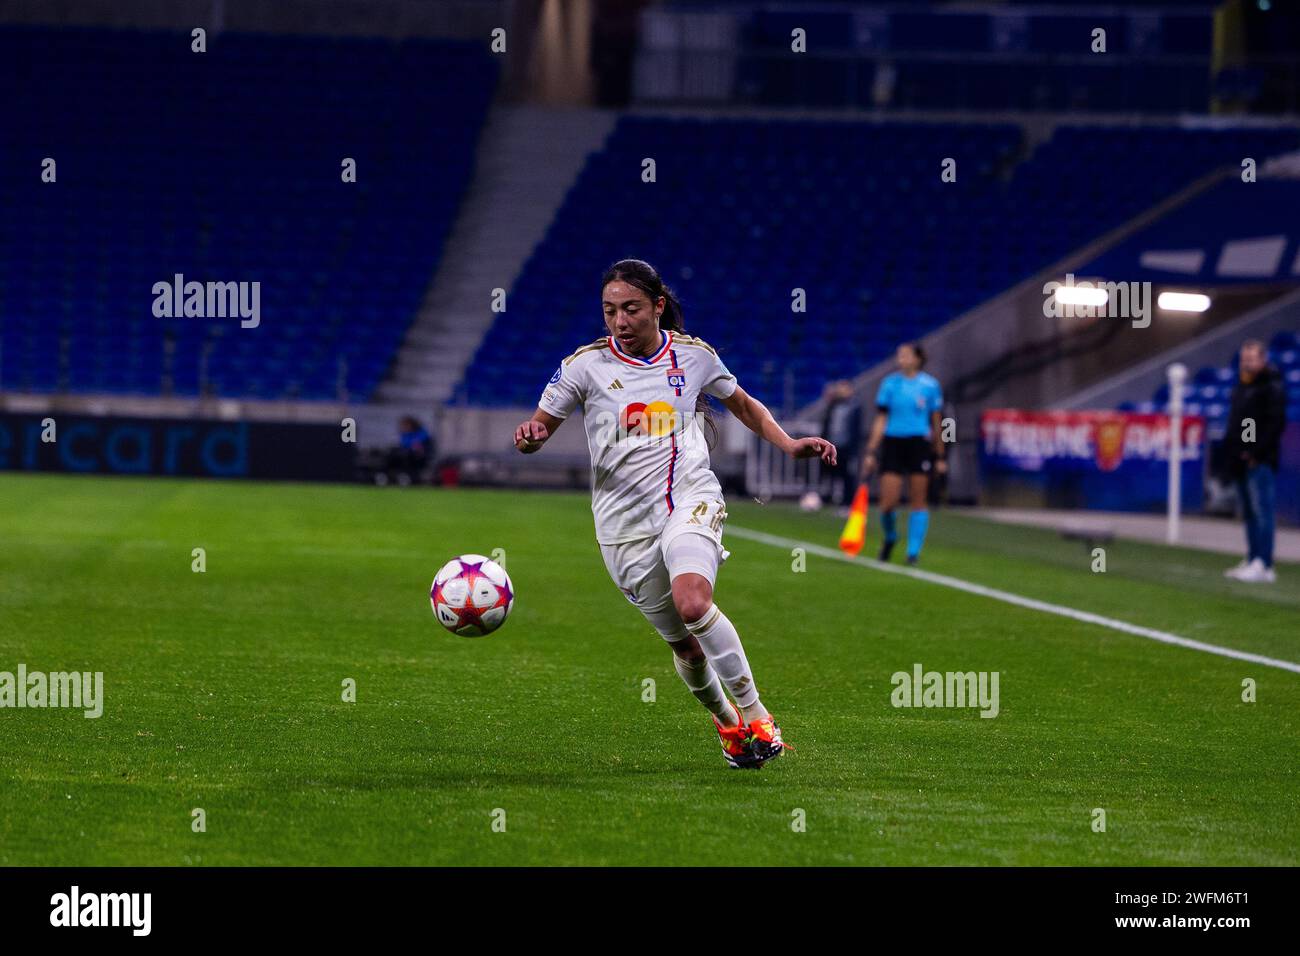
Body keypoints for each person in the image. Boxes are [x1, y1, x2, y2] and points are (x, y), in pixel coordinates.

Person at [513, 258, 837, 769]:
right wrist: (530, 438)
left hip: (690, 497)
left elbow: (745, 405)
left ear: (658, 307)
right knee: (685, 647)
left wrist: (789, 443)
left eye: (631, 309)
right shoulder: (583, 366)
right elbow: (538, 429)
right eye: (610, 310)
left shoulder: (694, 356)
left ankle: (757, 715)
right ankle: (729, 724)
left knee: (692, 602)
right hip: (623, 528)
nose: (620, 321)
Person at [860, 342, 946, 565]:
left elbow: (936, 422)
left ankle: (913, 552)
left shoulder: (930, 386)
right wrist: (871, 450)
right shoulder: (889, 384)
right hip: (893, 443)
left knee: (918, 500)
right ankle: (890, 536)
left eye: (906, 355)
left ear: (917, 358)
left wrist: (939, 455)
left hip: (919, 444)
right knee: (888, 503)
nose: (901, 359)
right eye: (899, 355)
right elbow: (881, 419)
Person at [1222, 339, 1287, 583]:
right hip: (1241, 459)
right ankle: (1253, 558)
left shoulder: (1270, 387)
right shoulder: (1242, 386)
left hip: (1259, 460)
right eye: (1244, 359)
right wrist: (1236, 451)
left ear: (1263, 360)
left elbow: (1272, 424)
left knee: (1262, 512)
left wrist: (1255, 452)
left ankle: (1264, 563)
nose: (1246, 363)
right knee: (1249, 512)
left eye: (1251, 359)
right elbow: (1237, 423)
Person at [820, 379, 863, 509]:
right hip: (832, 445)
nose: (841, 391)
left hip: (847, 447)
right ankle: (829, 499)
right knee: (831, 474)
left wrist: (854, 449)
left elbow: (856, 429)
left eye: (844, 388)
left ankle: (848, 502)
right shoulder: (833, 405)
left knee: (848, 476)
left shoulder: (855, 406)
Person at [390, 416, 434, 485]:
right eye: (403, 426)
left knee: (407, 456)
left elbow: (419, 448)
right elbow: (405, 446)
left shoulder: (422, 434)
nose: (404, 427)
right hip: (409, 457)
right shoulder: (405, 435)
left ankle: (410, 478)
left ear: (412, 425)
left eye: (406, 425)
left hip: (419, 458)